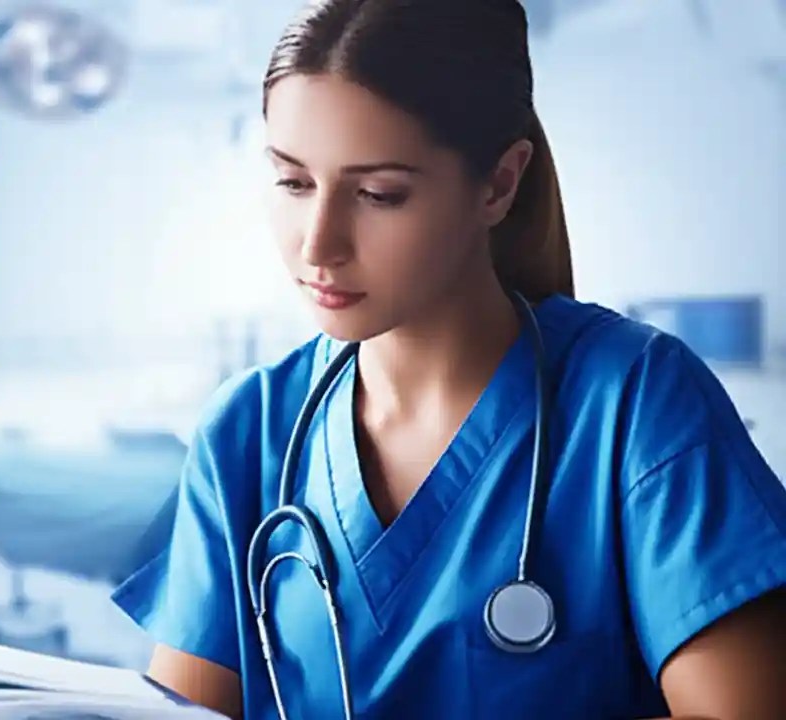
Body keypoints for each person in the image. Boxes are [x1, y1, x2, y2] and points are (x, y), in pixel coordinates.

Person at [109, 1, 786, 718]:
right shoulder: (250, 432)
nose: (317, 244)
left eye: (378, 194)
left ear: (497, 184)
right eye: (293, 182)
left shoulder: (635, 402)